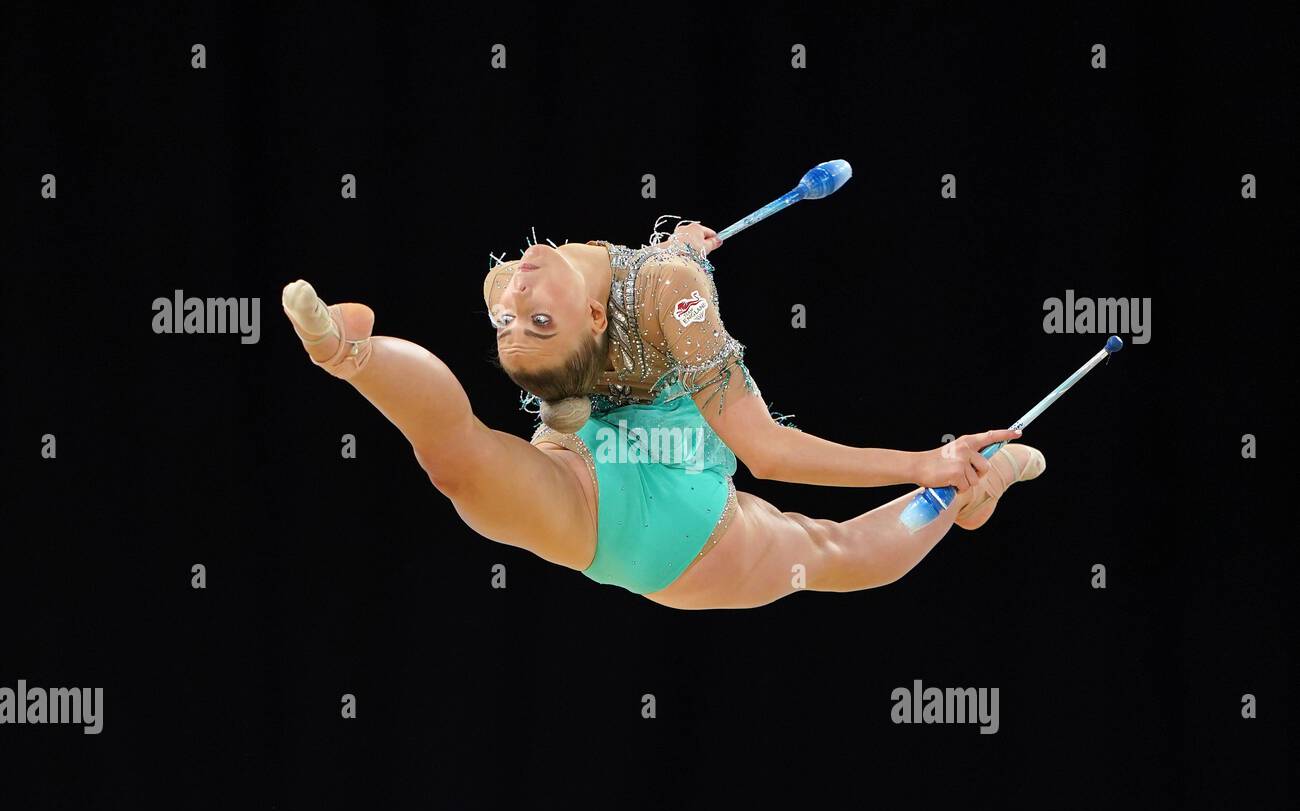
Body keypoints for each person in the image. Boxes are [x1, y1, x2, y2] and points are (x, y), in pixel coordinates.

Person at [281, 218, 1041, 610]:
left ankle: (960, 495)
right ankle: (345, 355)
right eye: (524, 324)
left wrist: (927, 463)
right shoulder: (621, 289)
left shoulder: (599, 286)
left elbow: (763, 451)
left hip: (676, 450)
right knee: (459, 469)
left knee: (829, 554)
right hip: (602, 482)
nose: (512, 305)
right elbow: (764, 450)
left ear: (594, 312)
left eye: (521, 321)